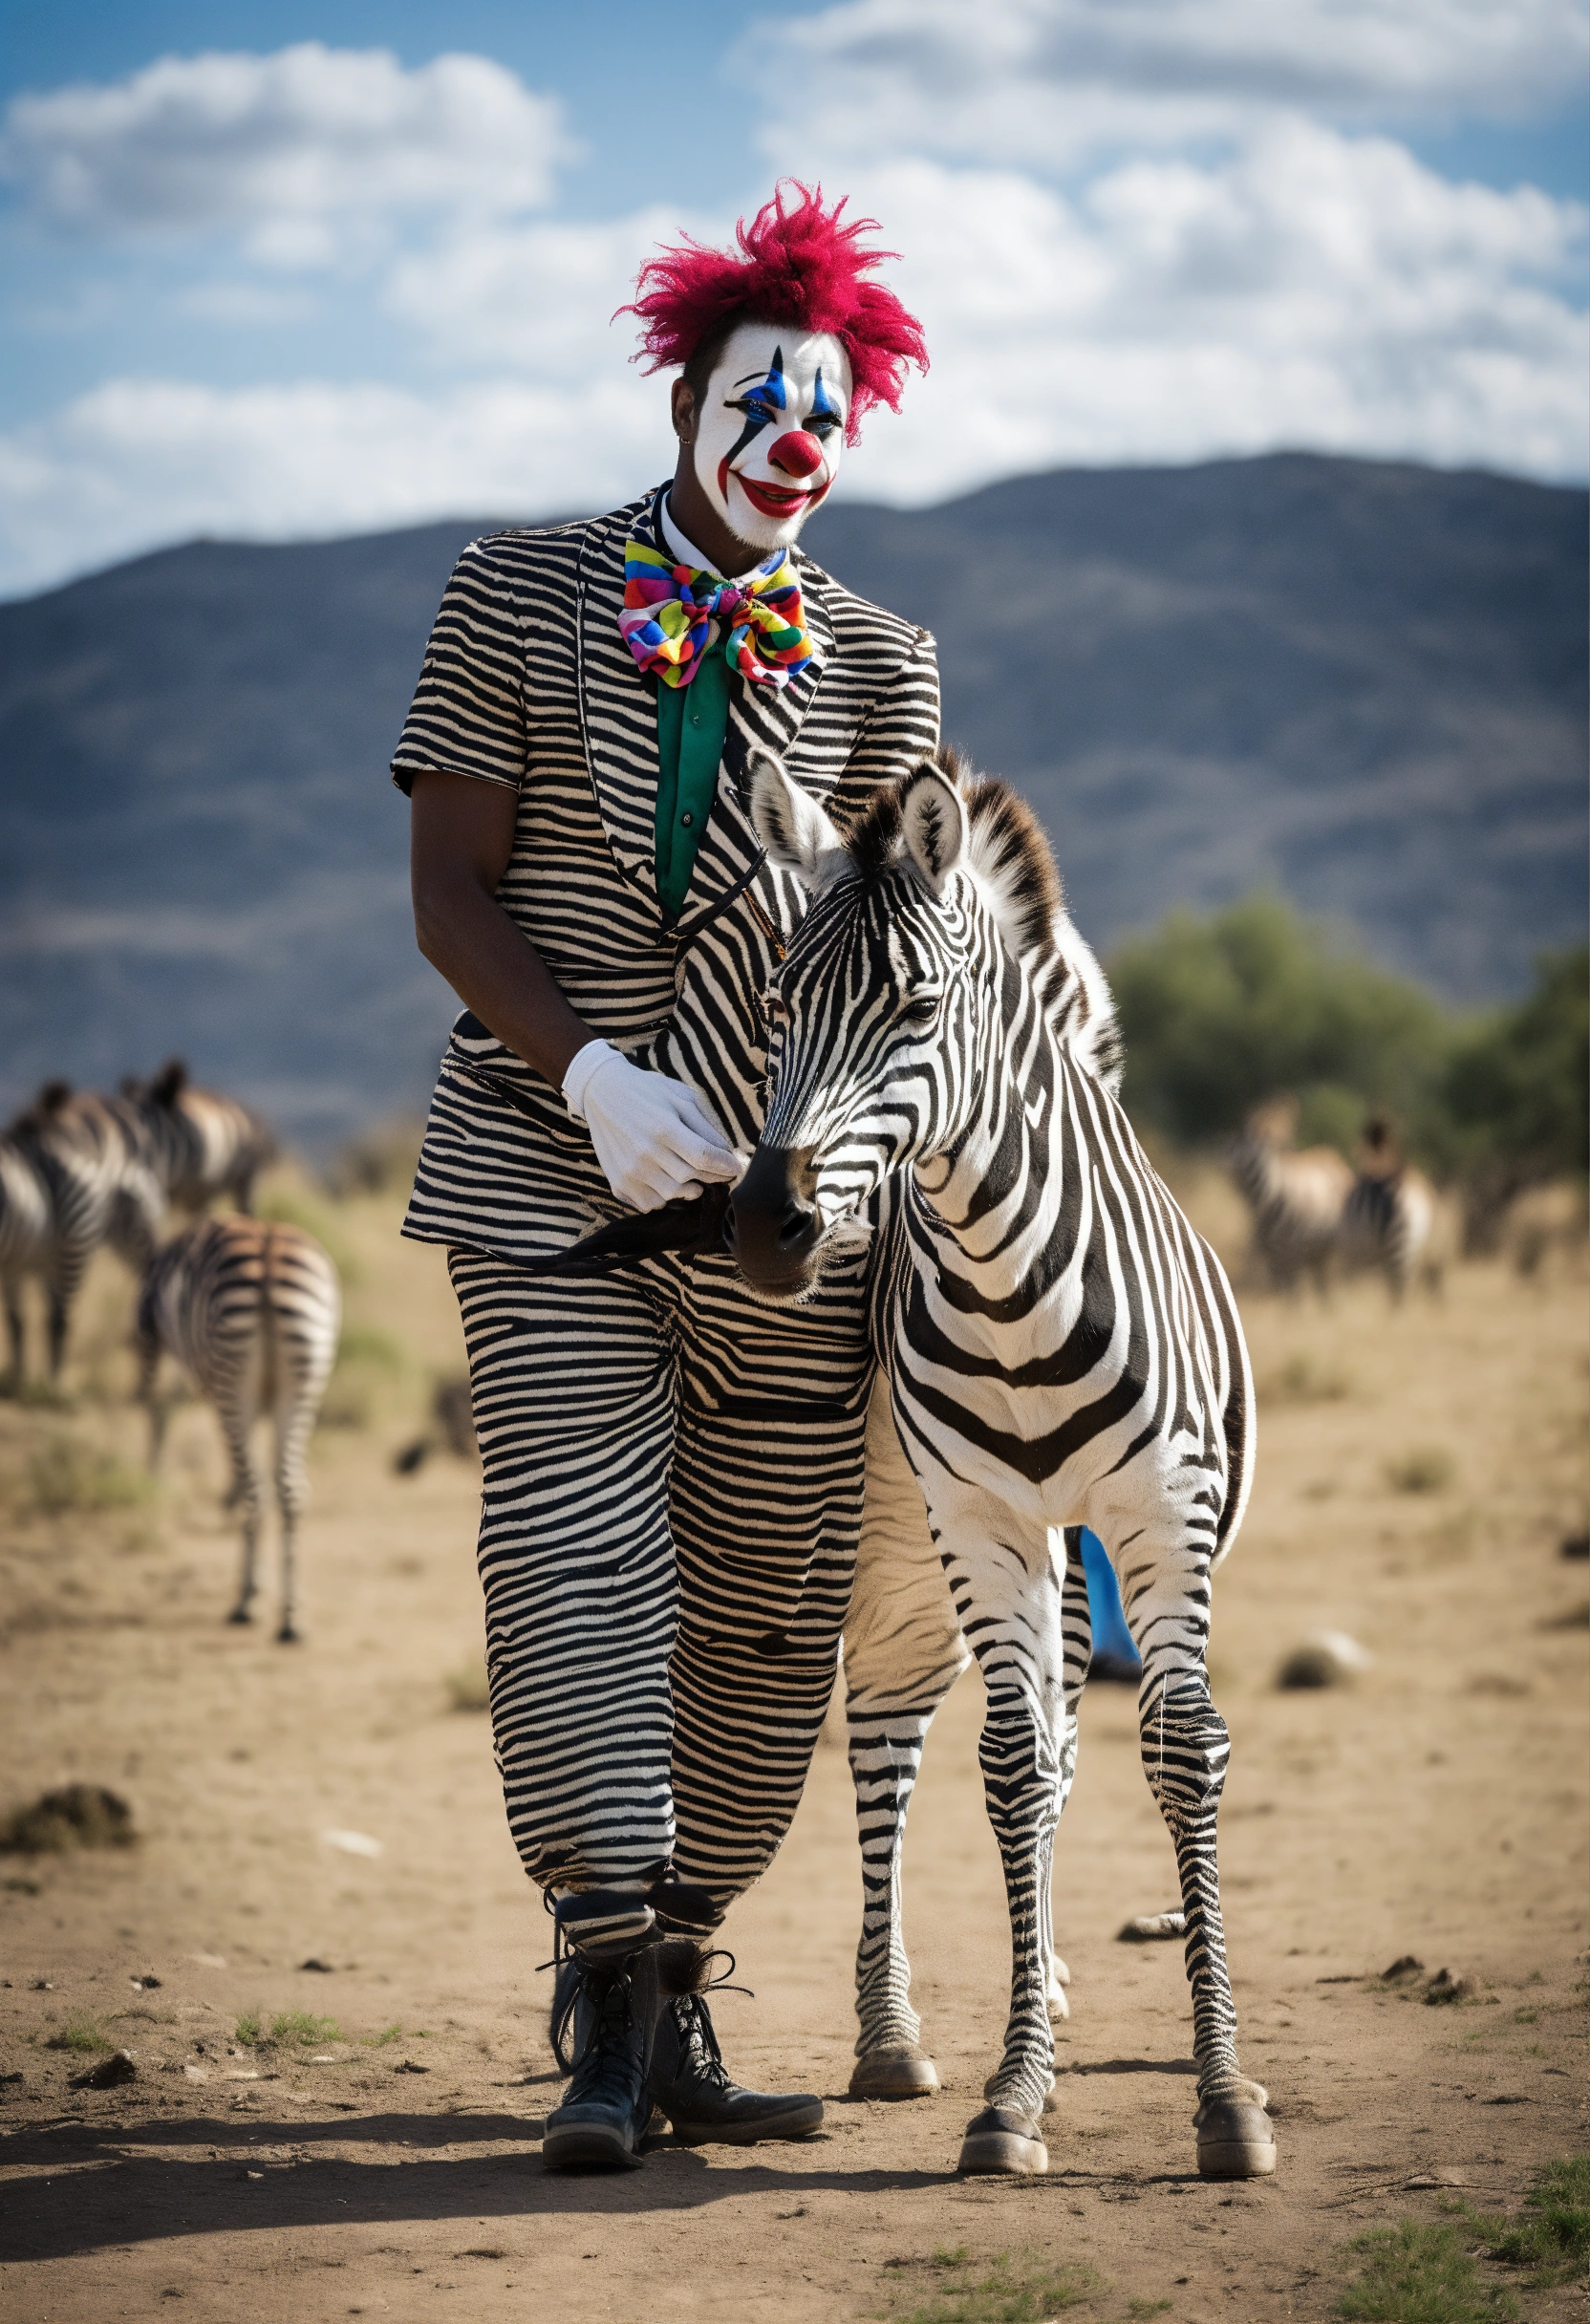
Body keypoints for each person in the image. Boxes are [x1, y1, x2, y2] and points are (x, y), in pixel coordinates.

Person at [395, 184, 935, 2171]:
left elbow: (891, 952)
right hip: (543, 1166)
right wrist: (591, 1070)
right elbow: (447, 889)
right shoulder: (513, 590)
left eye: (828, 406)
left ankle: (691, 1967)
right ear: (685, 395)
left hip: (785, 1219)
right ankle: (605, 1994)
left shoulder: (886, 665)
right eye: (757, 394)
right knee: (574, 1552)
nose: (794, 433)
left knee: (771, 1605)